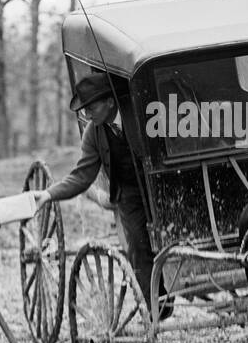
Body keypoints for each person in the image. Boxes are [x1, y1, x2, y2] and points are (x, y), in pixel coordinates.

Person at [35, 72, 171, 319]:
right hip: (129, 192)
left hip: (162, 183)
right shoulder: (93, 132)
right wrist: (48, 194)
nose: (87, 114)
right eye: (84, 109)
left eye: (91, 107)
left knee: (175, 238)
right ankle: (157, 304)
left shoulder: (142, 112)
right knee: (138, 249)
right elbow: (82, 175)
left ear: (110, 101)